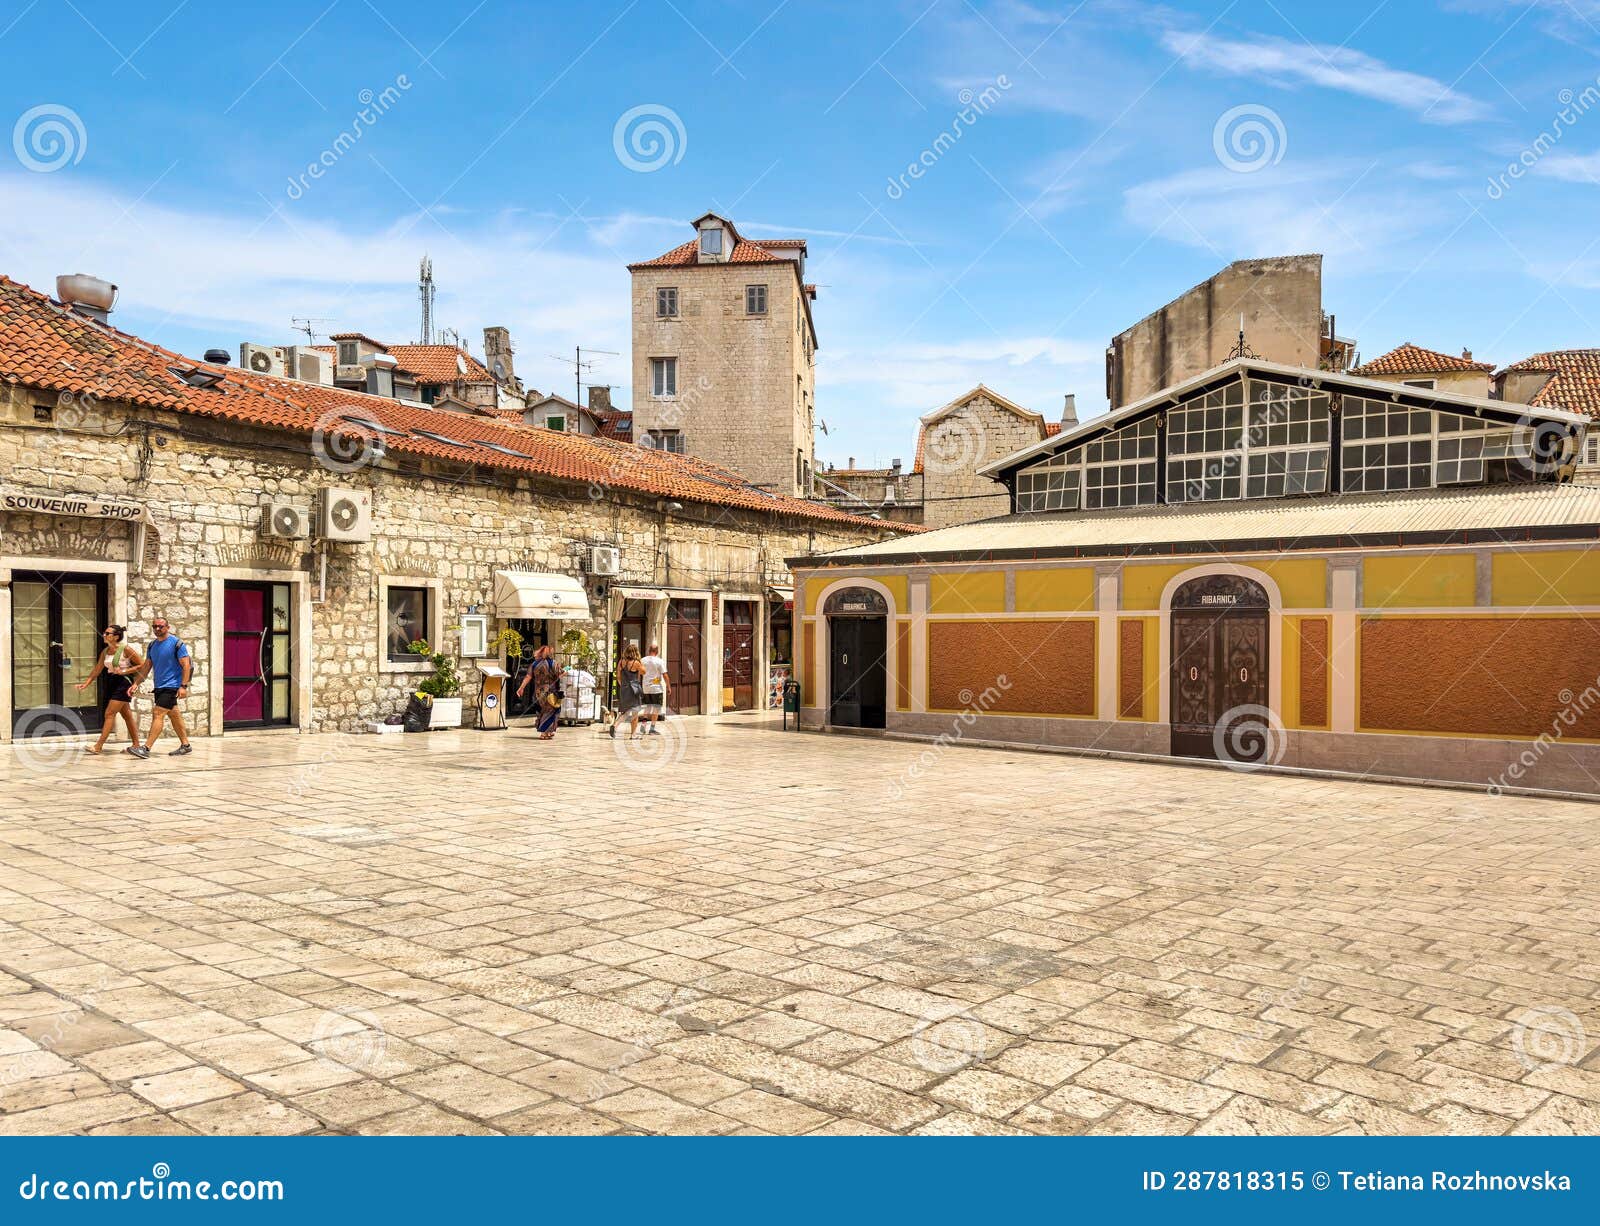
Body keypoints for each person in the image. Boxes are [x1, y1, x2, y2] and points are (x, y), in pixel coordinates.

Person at [129, 615, 192, 758]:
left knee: (158, 713)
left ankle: (146, 748)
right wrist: (136, 683)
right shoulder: (152, 645)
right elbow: (146, 667)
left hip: (172, 686)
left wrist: (183, 686)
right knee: (174, 714)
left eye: (161, 626)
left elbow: (186, 665)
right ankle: (185, 745)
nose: (157, 629)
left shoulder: (177, 644)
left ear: (168, 627)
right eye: (155, 626)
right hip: (159, 686)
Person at [75, 625, 144, 755]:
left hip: (124, 683)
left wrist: (124, 671)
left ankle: (98, 746)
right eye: (104, 633)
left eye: (107, 633)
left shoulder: (126, 649)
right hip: (112, 682)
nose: (104, 635)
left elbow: (142, 664)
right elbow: (98, 669)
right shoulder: (106, 651)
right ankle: (136, 745)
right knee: (127, 715)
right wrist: (86, 683)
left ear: (116, 636)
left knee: (109, 713)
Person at [516, 644, 561, 740]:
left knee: (541, 711)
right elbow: (559, 674)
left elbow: (528, 677)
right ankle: (544, 733)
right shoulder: (553, 663)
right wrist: (565, 671)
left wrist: (521, 688)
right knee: (550, 711)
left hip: (538, 692)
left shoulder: (534, 664)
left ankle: (548, 732)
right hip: (550, 692)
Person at [612, 641, 646, 739]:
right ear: (636, 652)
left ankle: (615, 725)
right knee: (635, 712)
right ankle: (633, 734)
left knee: (625, 711)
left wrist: (623, 685)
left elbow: (618, 676)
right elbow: (644, 672)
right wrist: (640, 662)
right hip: (634, 690)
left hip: (623, 688)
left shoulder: (621, 662)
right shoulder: (636, 663)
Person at [639, 642, 670, 736]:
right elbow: (665, 675)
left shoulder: (642, 660)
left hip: (646, 688)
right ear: (657, 651)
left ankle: (643, 726)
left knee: (647, 707)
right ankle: (652, 729)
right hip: (656, 688)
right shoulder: (659, 661)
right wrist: (668, 686)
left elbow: (640, 673)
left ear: (649, 651)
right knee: (656, 708)